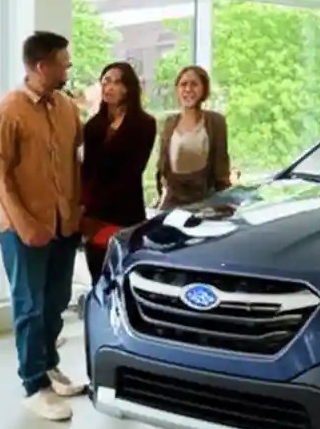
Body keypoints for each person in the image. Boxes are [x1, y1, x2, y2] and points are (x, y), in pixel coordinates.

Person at [0, 31, 88, 421]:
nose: (68, 66)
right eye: (63, 61)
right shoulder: (7, 111)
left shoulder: (66, 108)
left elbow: (75, 161)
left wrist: (76, 210)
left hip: (63, 224)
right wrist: (24, 223)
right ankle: (33, 385)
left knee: (56, 301)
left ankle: (48, 366)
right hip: (22, 229)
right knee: (30, 306)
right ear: (42, 66)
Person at [80, 62, 156, 282]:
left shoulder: (144, 124)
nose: (109, 87)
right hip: (94, 215)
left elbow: (134, 170)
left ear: (128, 88)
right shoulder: (93, 125)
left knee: (122, 276)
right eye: (105, 82)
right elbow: (87, 170)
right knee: (97, 277)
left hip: (126, 212)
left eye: (116, 82)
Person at [155, 65, 232, 209]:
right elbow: (162, 168)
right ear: (177, 89)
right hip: (173, 203)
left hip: (206, 203)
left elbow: (221, 169)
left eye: (194, 84)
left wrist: (225, 204)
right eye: (183, 84)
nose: (188, 89)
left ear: (204, 89)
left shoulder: (216, 122)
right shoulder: (169, 123)